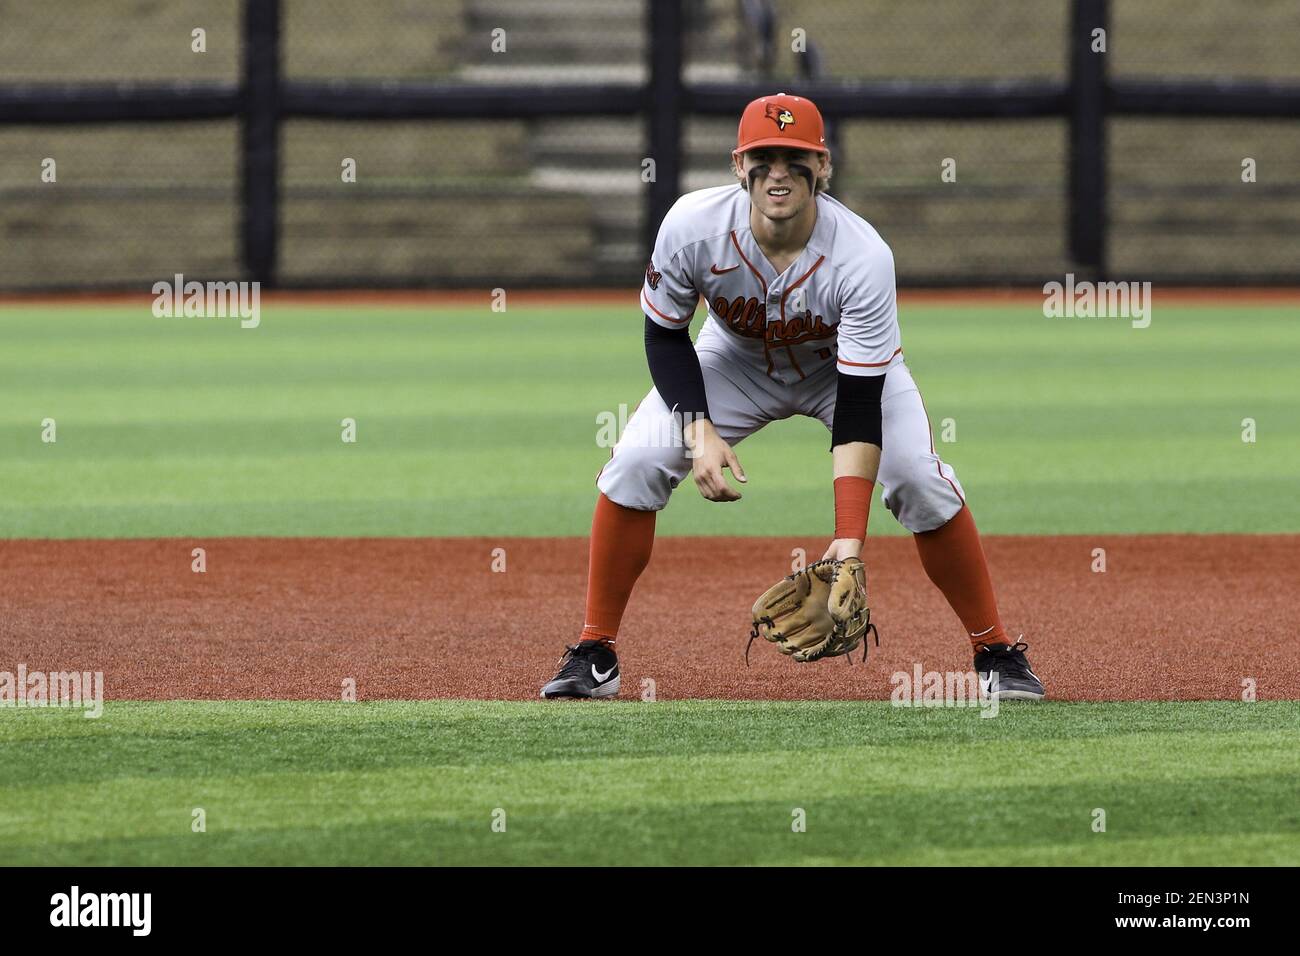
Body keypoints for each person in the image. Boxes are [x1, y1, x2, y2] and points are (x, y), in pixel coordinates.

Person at [541, 93, 1044, 702]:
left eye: (795, 157)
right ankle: (596, 652)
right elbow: (665, 333)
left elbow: (859, 405)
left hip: (840, 371)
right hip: (735, 358)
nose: (778, 171)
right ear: (738, 164)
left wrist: (849, 540)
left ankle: (995, 653)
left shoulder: (862, 257)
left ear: (823, 166)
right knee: (637, 462)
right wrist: (699, 431)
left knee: (917, 478)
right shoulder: (691, 227)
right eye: (765, 156)